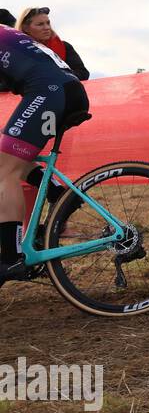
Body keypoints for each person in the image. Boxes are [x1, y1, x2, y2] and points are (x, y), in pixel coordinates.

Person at [0, 24, 89, 283]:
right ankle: (56, 191)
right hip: (61, 89)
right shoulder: (7, 31)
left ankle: (11, 258)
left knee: (4, 171)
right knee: (9, 152)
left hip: (49, 91)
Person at [15, 7, 90, 80]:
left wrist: (55, 75)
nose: (47, 27)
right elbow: (6, 84)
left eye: (48, 23)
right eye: (40, 24)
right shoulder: (16, 52)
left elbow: (83, 74)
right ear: (26, 28)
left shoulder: (65, 46)